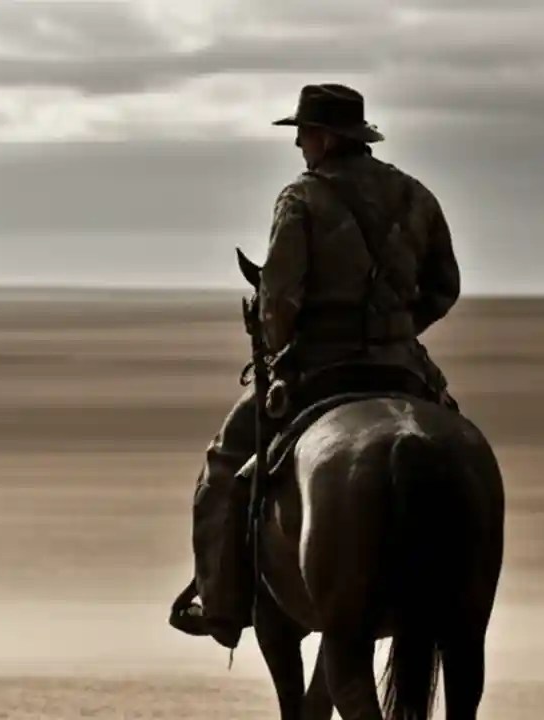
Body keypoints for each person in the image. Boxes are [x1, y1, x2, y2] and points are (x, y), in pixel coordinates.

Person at [168, 83, 461, 649]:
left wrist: (281, 346)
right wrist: (395, 331)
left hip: (319, 366)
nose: (299, 144)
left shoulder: (300, 199)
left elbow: (279, 299)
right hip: (401, 365)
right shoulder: (416, 196)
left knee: (224, 465)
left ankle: (220, 604)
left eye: (303, 133)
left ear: (324, 138)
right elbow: (445, 287)